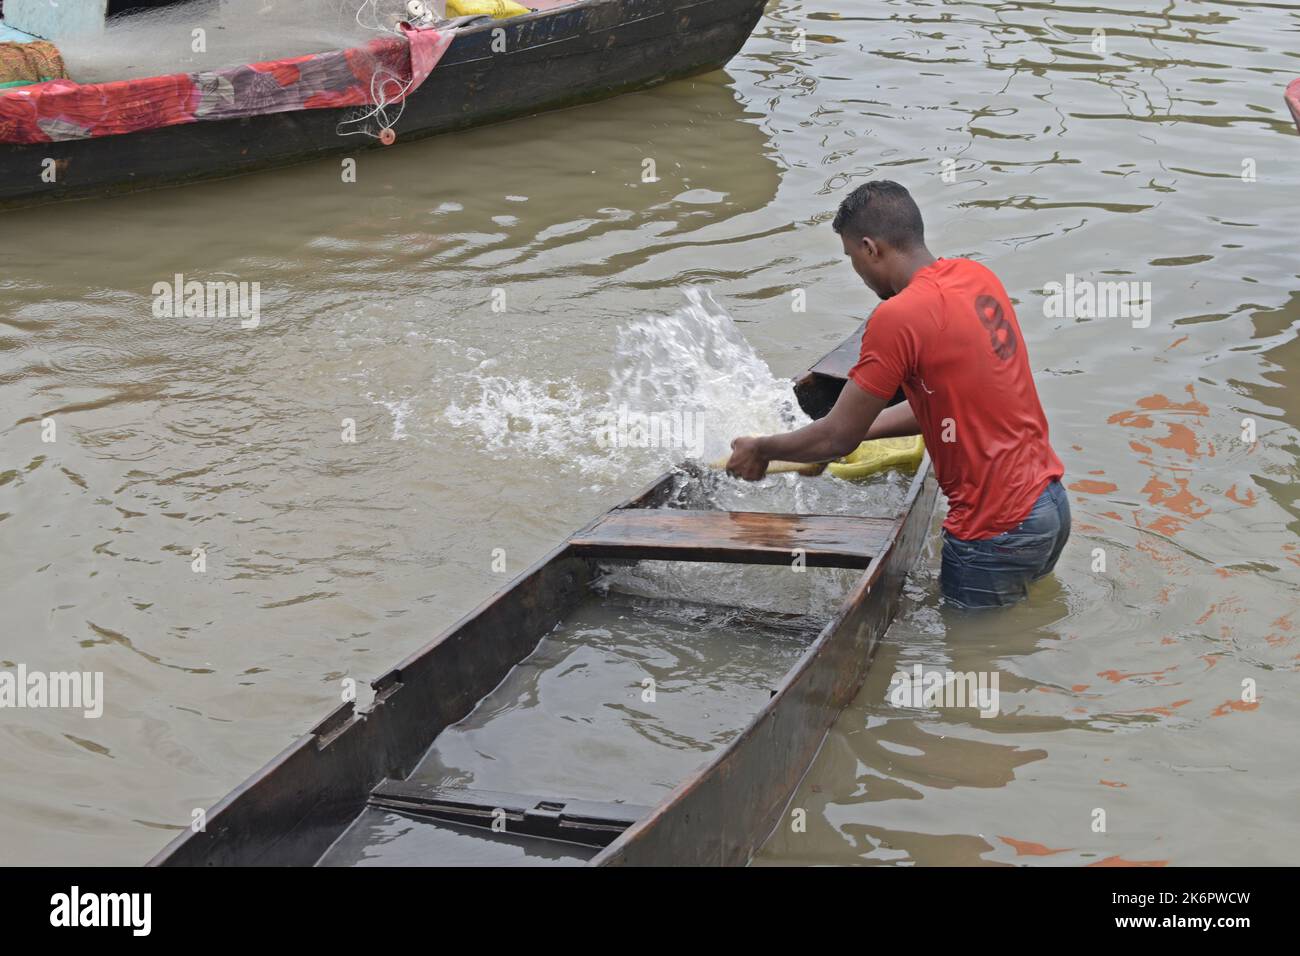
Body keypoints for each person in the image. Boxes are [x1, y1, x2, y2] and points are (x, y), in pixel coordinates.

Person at [726, 181, 1069, 609]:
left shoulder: (897, 317)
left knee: (972, 664)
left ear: (870, 248)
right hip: (1047, 509)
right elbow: (944, 405)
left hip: (993, 529)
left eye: (852, 258)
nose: (858, 271)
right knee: (1016, 643)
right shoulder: (976, 277)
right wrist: (834, 444)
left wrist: (761, 449)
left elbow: (838, 436)